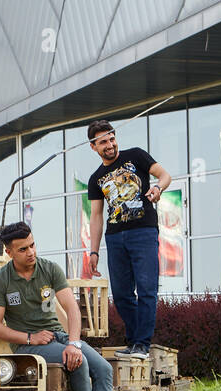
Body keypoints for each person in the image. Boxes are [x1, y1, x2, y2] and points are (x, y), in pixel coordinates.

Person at [0, 221, 112, 391]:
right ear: (9, 252)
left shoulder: (50, 269)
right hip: (26, 347)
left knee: (104, 369)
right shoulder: (0, 281)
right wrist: (29, 338)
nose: (31, 252)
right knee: (77, 363)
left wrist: (73, 343)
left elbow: (72, 309)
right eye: (23, 249)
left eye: (32, 245)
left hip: (58, 336)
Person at [86, 120, 171, 359]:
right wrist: (94, 251)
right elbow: (96, 216)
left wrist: (158, 189)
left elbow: (165, 176)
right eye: (103, 142)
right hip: (114, 238)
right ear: (94, 147)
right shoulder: (96, 179)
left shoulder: (136, 156)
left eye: (112, 138)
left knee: (146, 290)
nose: (110, 144)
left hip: (143, 232)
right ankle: (135, 341)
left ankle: (141, 344)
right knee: (122, 294)